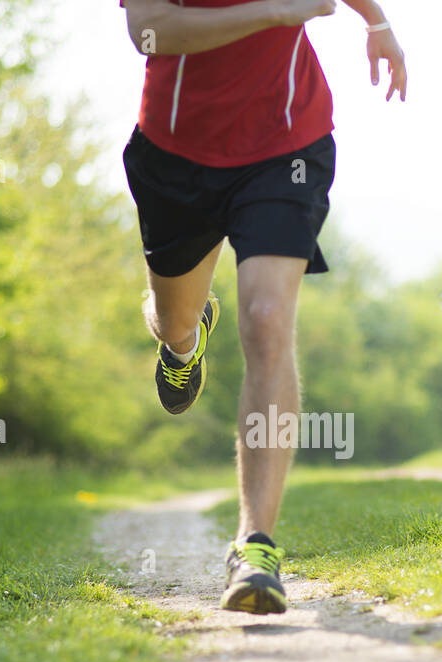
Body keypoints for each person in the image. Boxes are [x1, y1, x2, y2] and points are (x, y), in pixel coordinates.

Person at [119, 0, 406, 613]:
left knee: (269, 320)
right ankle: (185, 343)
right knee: (173, 321)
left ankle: (257, 547)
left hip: (285, 147)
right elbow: (151, 31)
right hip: (178, 155)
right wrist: (274, 11)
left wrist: (377, 22)